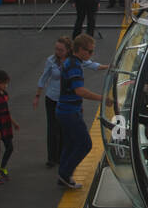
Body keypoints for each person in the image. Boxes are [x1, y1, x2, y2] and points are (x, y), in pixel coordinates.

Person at [34, 36, 103, 169]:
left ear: (68, 50)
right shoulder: (55, 61)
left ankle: (61, 159)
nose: (58, 52)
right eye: (56, 49)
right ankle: (53, 159)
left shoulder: (74, 61)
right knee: (54, 129)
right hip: (53, 99)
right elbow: (44, 78)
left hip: (64, 100)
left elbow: (92, 65)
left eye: (61, 50)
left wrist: (108, 66)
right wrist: (38, 95)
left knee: (64, 131)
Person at [56, 34, 102, 191]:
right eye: (89, 52)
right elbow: (80, 90)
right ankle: (65, 173)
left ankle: (63, 174)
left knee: (69, 144)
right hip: (70, 112)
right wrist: (101, 98)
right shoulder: (74, 66)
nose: (91, 55)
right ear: (80, 50)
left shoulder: (70, 62)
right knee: (85, 144)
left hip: (64, 110)